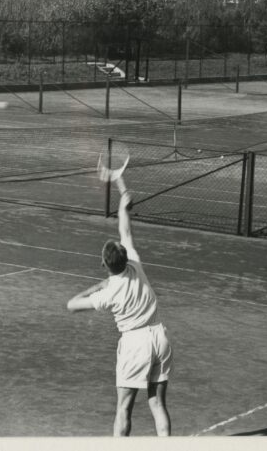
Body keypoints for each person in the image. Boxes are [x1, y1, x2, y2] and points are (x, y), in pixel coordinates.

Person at [67, 176, 173, 437]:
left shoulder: (108, 292)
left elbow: (72, 305)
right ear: (125, 258)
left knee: (124, 409)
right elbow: (125, 231)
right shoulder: (135, 264)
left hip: (134, 344)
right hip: (160, 337)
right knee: (158, 403)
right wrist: (123, 199)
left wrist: (96, 286)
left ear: (105, 264)